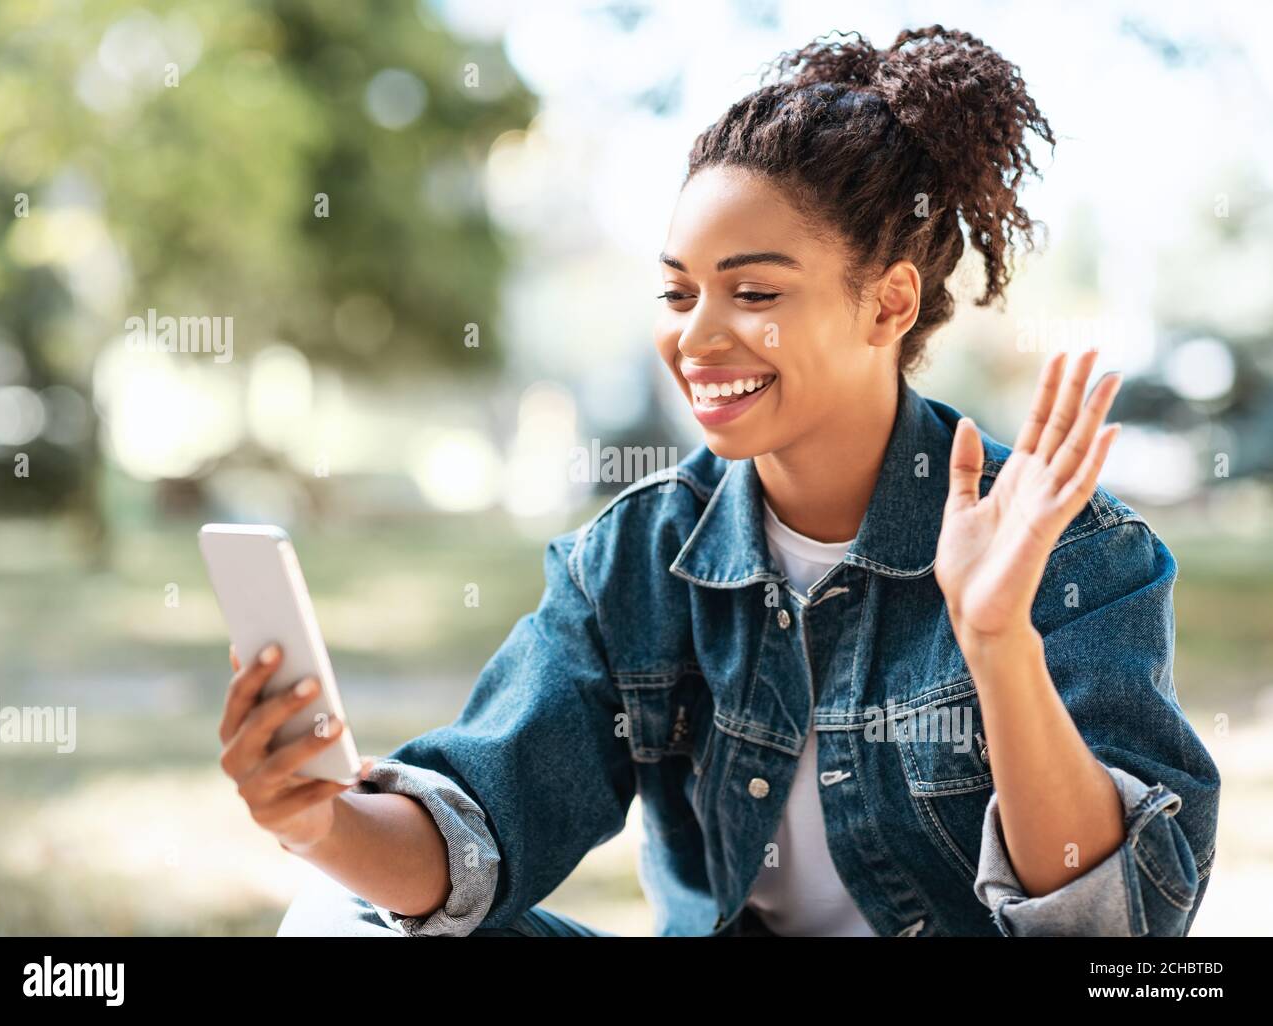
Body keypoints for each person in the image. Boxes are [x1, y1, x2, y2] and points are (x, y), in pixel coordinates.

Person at [218, 25, 1219, 937]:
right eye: (676, 291)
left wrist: (998, 644)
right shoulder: (635, 562)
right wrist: (317, 819)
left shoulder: (1068, 547)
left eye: (753, 292)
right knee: (337, 917)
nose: (695, 338)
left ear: (887, 305)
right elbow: (478, 830)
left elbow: (1115, 935)